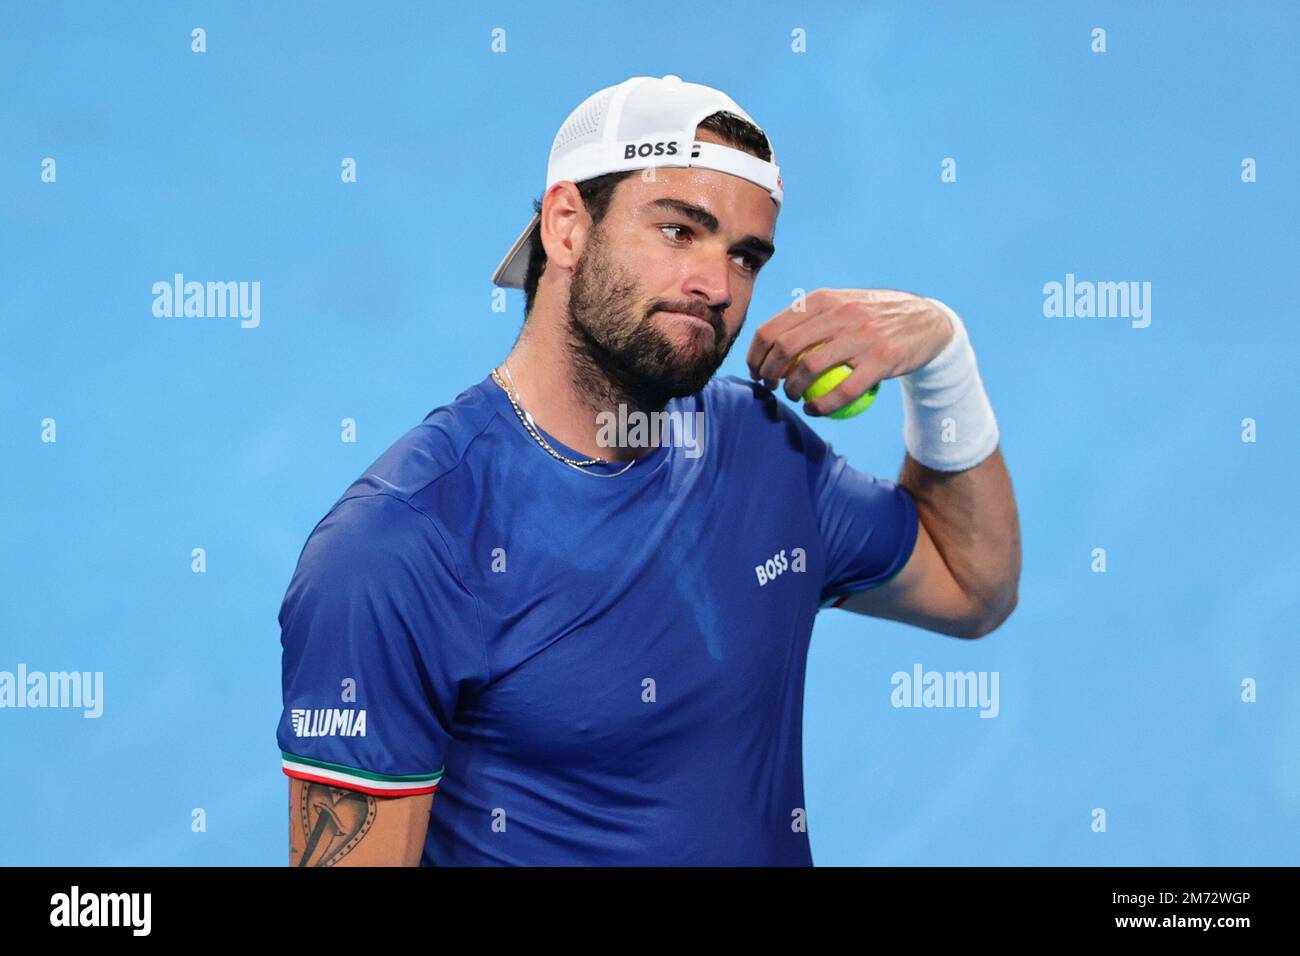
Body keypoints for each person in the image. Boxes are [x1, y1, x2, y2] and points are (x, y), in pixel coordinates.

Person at [277, 74, 1021, 866]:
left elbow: (971, 585)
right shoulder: (398, 546)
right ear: (566, 226)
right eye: (678, 231)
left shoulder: (758, 451)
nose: (717, 286)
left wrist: (943, 357)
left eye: (745, 256)